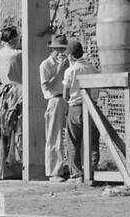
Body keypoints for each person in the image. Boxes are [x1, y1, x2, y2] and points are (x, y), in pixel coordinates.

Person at [62, 41, 99, 182]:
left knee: (73, 142)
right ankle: (92, 170)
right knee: (93, 141)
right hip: (92, 108)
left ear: (70, 56)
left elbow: (65, 94)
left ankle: (77, 174)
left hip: (75, 108)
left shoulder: (70, 71)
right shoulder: (92, 68)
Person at [38, 34, 70, 179]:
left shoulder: (67, 63)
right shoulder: (46, 65)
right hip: (55, 99)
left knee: (71, 135)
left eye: (64, 50)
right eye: (59, 50)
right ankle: (53, 171)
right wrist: (58, 71)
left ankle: (70, 166)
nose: (62, 53)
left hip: (67, 99)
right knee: (54, 136)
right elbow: (46, 85)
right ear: (53, 50)